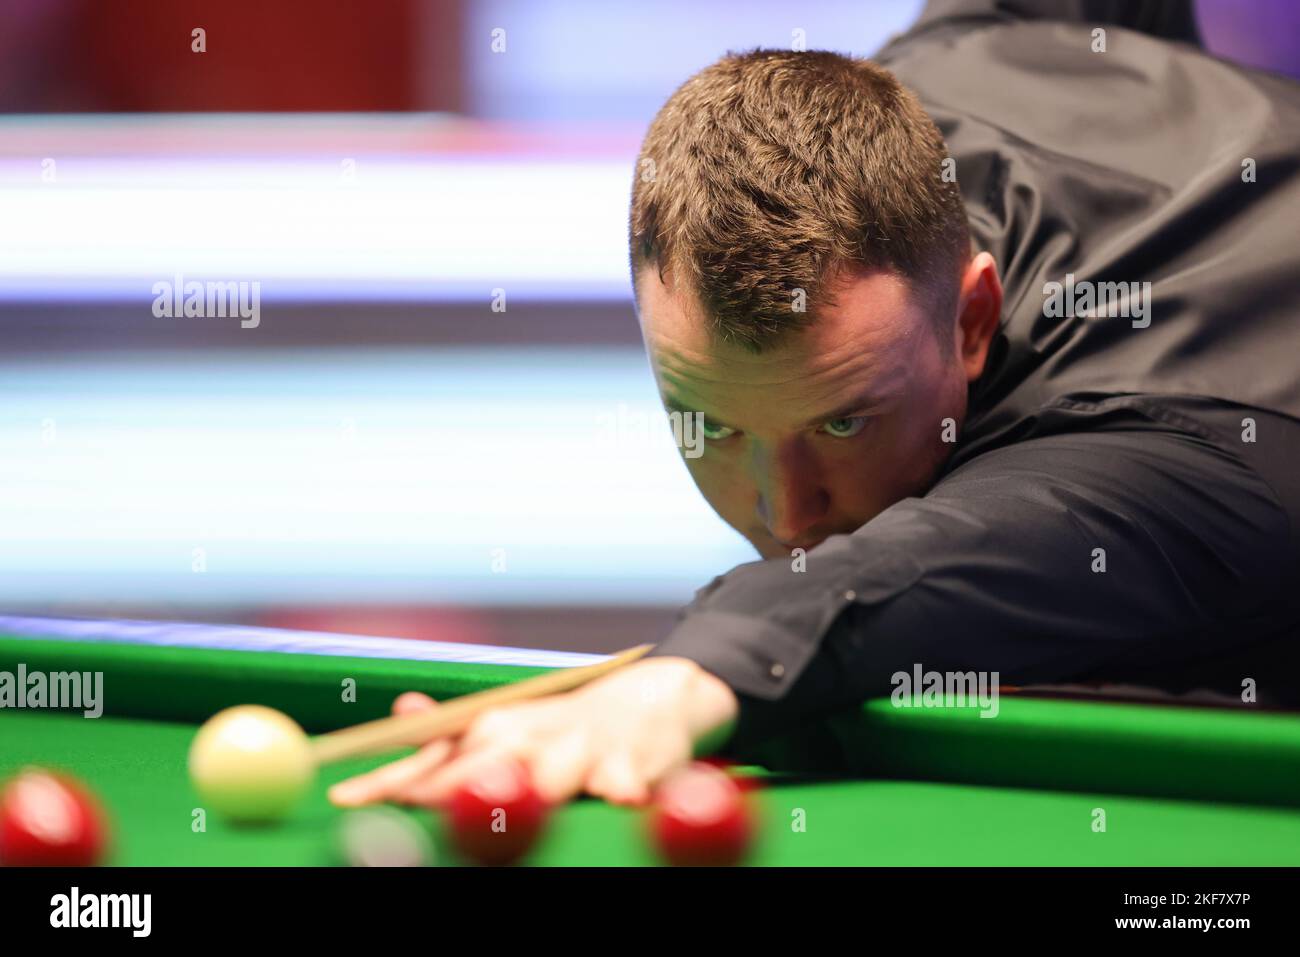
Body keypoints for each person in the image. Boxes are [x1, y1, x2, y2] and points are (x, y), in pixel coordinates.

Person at [331, 0, 1300, 808]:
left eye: (842, 423)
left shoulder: (1195, 437)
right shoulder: (944, 65)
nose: (788, 515)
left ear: (972, 320)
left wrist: (687, 678)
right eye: (709, 425)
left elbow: (961, 553)